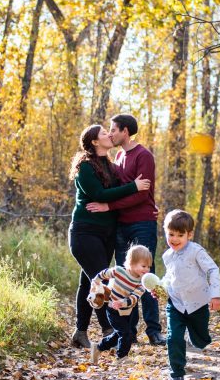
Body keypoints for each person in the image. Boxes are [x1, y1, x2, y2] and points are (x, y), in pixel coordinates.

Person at [68, 125, 151, 349]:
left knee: (88, 281)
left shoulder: (110, 166)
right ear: (95, 142)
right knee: (102, 280)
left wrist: (149, 206)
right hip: (85, 232)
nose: (109, 135)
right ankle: (110, 330)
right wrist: (133, 187)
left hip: (106, 234)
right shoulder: (85, 166)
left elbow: (116, 197)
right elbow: (100, 195)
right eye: (104, 133)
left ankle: (80, 333)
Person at [86, 114, 166, 346]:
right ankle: (128, 331)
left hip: (142, 222)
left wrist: (108, 206)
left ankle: (153, 331)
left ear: (126, 131)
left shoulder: (144, 156)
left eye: (113, 129)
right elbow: (124, 188)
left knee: (146, 276)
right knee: (124, 278)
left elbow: (141, 194)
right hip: (122, 224)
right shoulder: (119, 155)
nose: (110, 133)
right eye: (108, 130)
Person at [158, 209, 220, 380]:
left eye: (180, 235)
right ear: (166, 232)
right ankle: (177, 376)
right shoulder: (167, 256)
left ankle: (196, 337)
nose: (175, 239)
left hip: (198, 303)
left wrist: (215, 295)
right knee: (174, 337)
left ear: (189, 235)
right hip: (176, 303)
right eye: (171, 234)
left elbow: (213, 270)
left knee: (200, 340)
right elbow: (169, 277)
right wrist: (159, 288)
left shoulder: (196, 251)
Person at [89, 244, 152, 364]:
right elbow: (104, 274)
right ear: (132, 263)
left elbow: (135, 297)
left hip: (128, 311)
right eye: (143, 266)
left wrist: (123, 302)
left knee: (119, 334)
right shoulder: (118, 271)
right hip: (113, 310)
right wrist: (95, 281)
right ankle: (121, 357)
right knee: (125, 333)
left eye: (149, 266)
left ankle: (98, 347)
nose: (147, 269)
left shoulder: (142, 282)